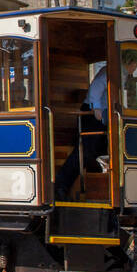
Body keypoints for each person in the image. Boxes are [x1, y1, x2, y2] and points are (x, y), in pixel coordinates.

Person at [55, 63, 108, 199]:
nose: (136, 67)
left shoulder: (118, 71)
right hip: (91, 114)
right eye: (135, 64)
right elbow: (96, 86)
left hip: (100, 116)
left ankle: (100, 189)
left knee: (99, 151)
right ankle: (61, 186)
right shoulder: (110, 70)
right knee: (85, 152)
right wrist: (96, 108)